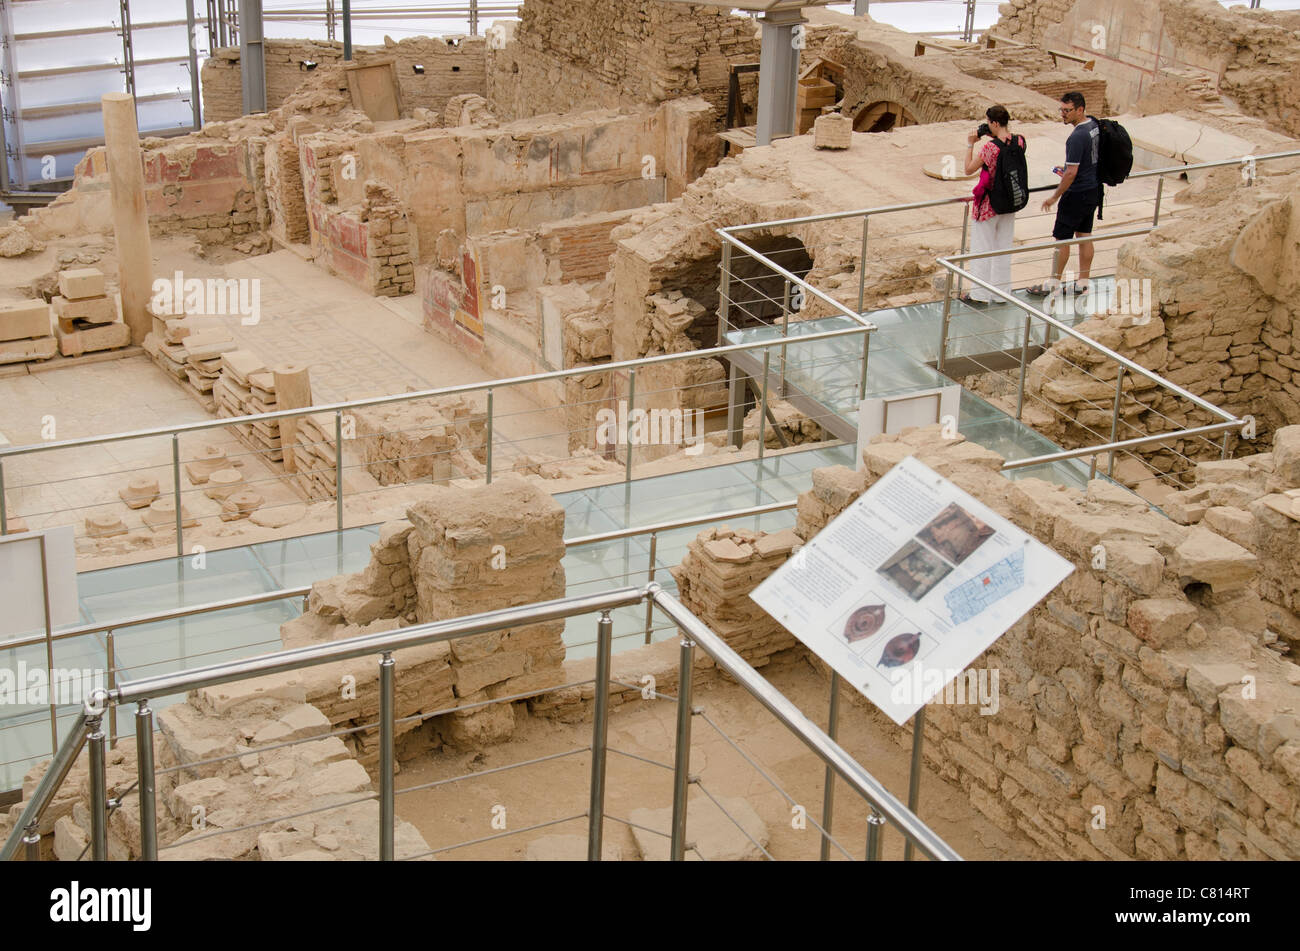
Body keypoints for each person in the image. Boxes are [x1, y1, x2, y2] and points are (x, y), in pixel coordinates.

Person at [1029, 91, 1099, 298]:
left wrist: (1055, 196)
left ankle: (1054, 283)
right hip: (1092, 189)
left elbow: (1071, 173)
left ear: (1080, 109)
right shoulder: (1094, 126)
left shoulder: (1076, 136)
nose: (1063, 114)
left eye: (1068, 110)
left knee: (1062, 240)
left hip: (1076, 193)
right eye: (1062, 110)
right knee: (1085, 235)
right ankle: (1083, 283)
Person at [961, 104, 1024, 306]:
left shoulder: (990, 148)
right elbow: (1006, 146)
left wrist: (971, 144)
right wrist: (994, 134)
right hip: (1009, 202)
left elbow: (968, 169)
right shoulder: (1020, 141)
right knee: (1003, 248)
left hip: (989, 205)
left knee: (982, 249)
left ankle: (979, 295)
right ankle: (1001, 293)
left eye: (989, 122)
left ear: (994, 123)